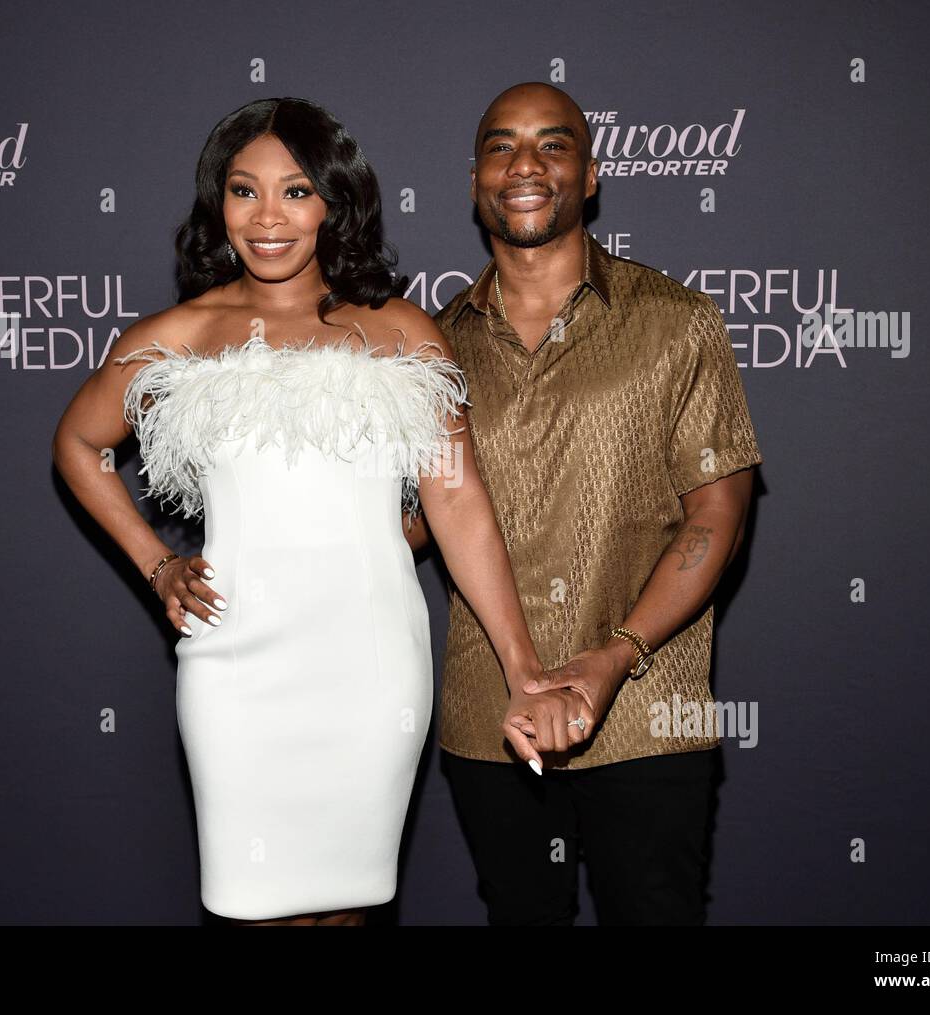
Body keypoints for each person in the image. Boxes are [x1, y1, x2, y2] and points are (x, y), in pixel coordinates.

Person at [51, 97, 551, 926]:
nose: (269, 217)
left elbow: (458, 500)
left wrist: (522, 664)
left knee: (345, 909)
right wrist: (157, 563)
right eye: (245, 191)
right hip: (238, 665)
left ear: (334, 202)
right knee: (253, 903)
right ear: (220, 205)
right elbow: (78, 441)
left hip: (371, 664)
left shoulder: (401, 332)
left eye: (296, 190)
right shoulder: (182, 333)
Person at [407, 82, 764, 925]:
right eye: (500, 145)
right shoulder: (430, 344)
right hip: (489, 714)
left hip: (647, 712)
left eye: (552, 143)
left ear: (592, 175)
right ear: (473, 181)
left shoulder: (678, 322)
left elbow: (718, 514)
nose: (523, 164)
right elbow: (416, 519)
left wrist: (615, 656)